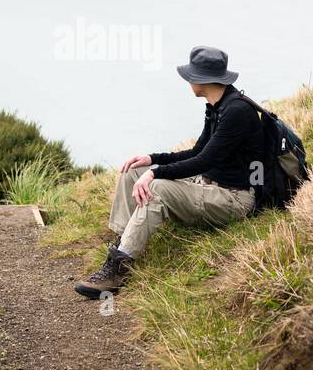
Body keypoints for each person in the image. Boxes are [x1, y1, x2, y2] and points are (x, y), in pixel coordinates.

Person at [75, 46, 262, 297]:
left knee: (157, 188)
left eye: (190, 76)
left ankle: (118, 269)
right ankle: (122, 241)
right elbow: (197, 152)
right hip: (209, 183)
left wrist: (156, 173)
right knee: (134, 170)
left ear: (201, 79)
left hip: (234, 198)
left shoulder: (236, 111)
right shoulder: (218, 105)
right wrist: (151, 160)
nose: (187, 80)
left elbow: (204, 160)